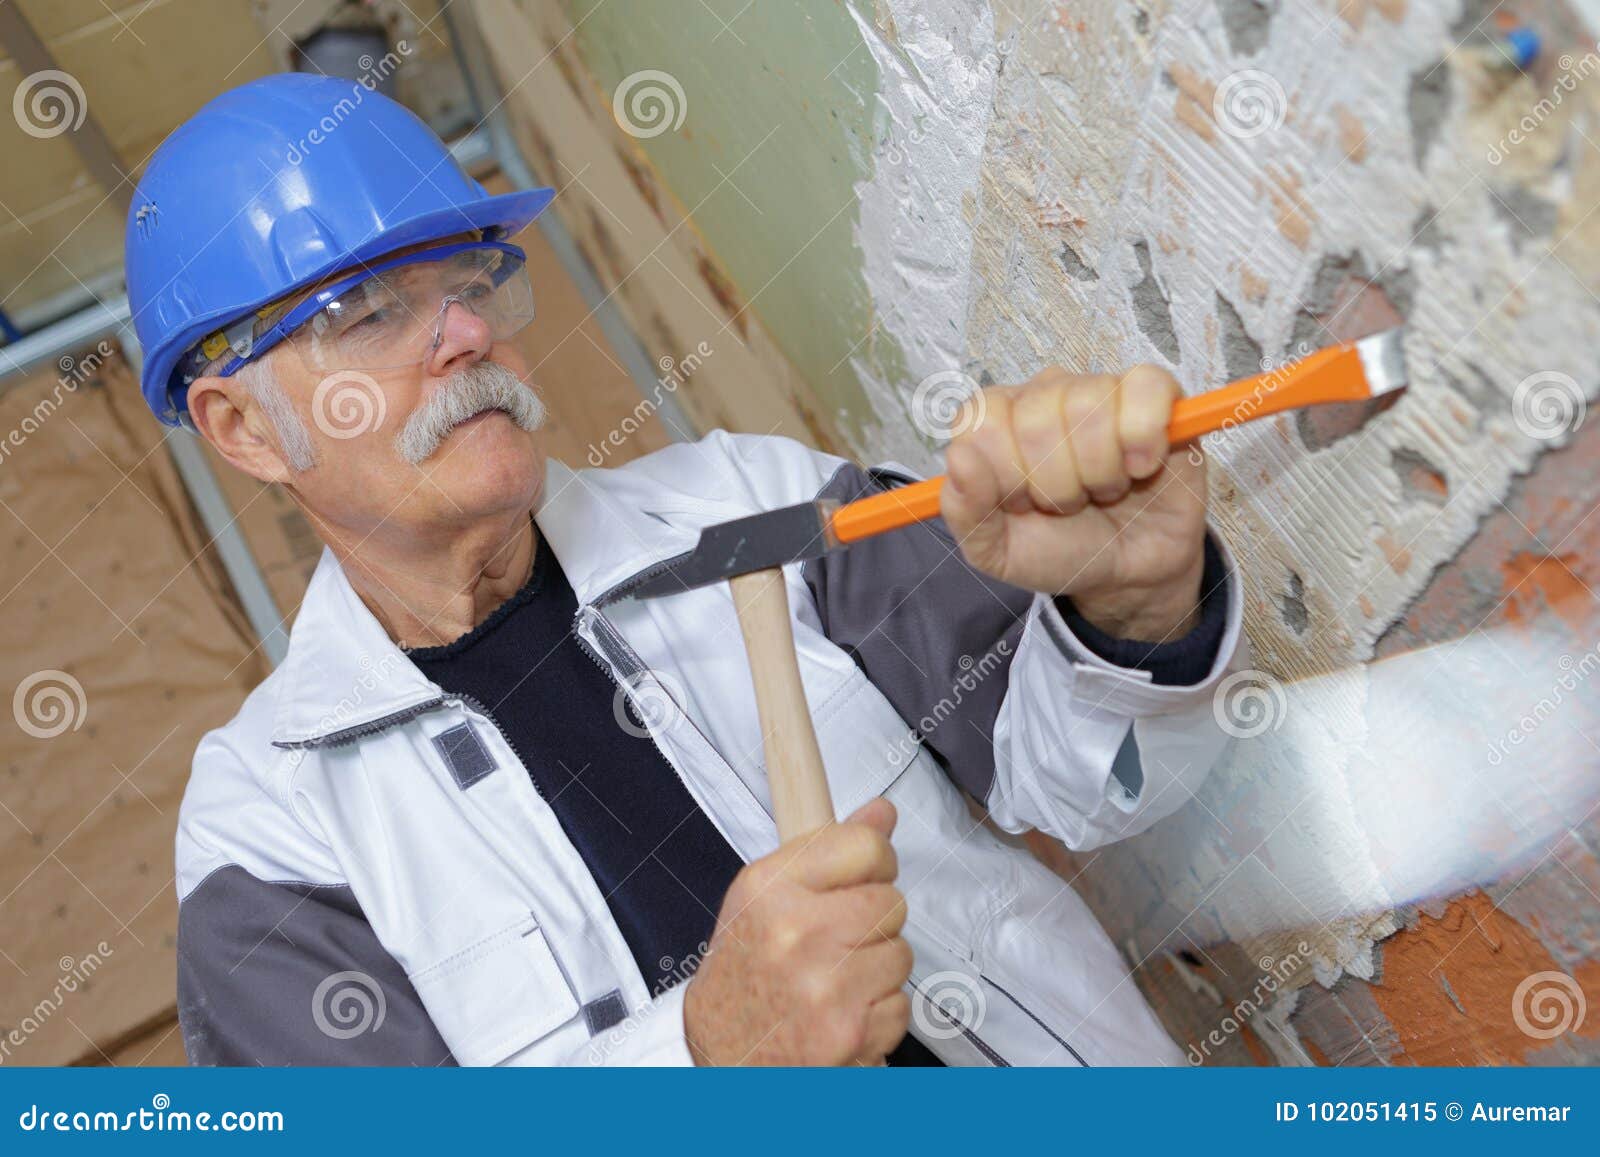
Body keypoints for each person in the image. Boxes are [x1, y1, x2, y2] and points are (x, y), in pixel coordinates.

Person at [129, 75, 1246, 1067]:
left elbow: (1090, 784)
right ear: (246, 430)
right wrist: (702, 1056)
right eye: (368, 310)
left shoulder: (754, 506)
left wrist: (1135, 608)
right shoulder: (268, 831)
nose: (465, 331)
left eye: (469, 278)